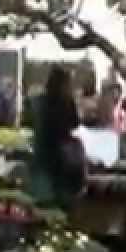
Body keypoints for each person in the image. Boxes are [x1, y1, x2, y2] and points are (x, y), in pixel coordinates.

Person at [30, 67, 85, 210]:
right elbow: (75, 123)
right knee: (63, 194)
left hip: (43, 152)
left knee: (45, 195)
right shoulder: (66, 101)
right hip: (62, 154)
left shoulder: (40, 101)